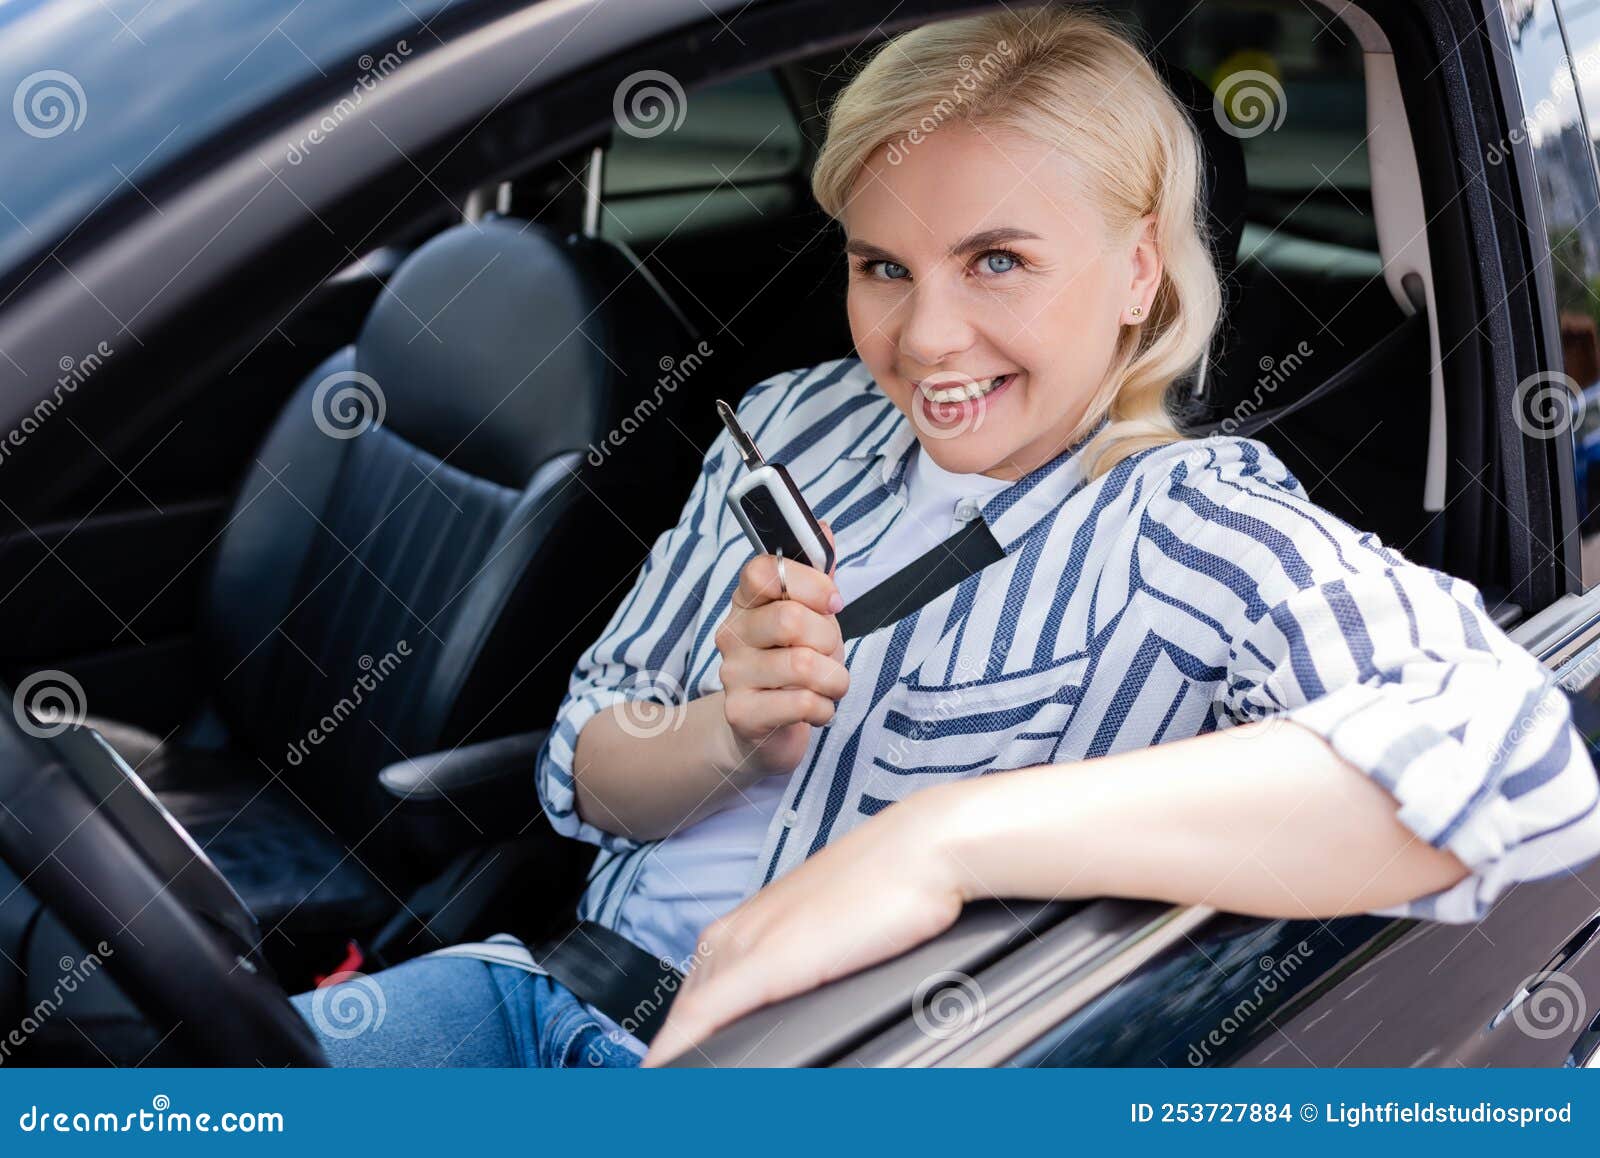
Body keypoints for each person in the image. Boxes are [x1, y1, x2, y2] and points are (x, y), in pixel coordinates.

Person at [292, 4, 1600, 1068]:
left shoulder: (1191, 520)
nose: (922, 341)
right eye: (884, 267)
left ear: (1139, 269)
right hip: (532, 1003)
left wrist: (940, 840)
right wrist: (728, 736)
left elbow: (1520, 761)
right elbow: (580, 763)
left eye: (997, 261)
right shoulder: (789, 422)